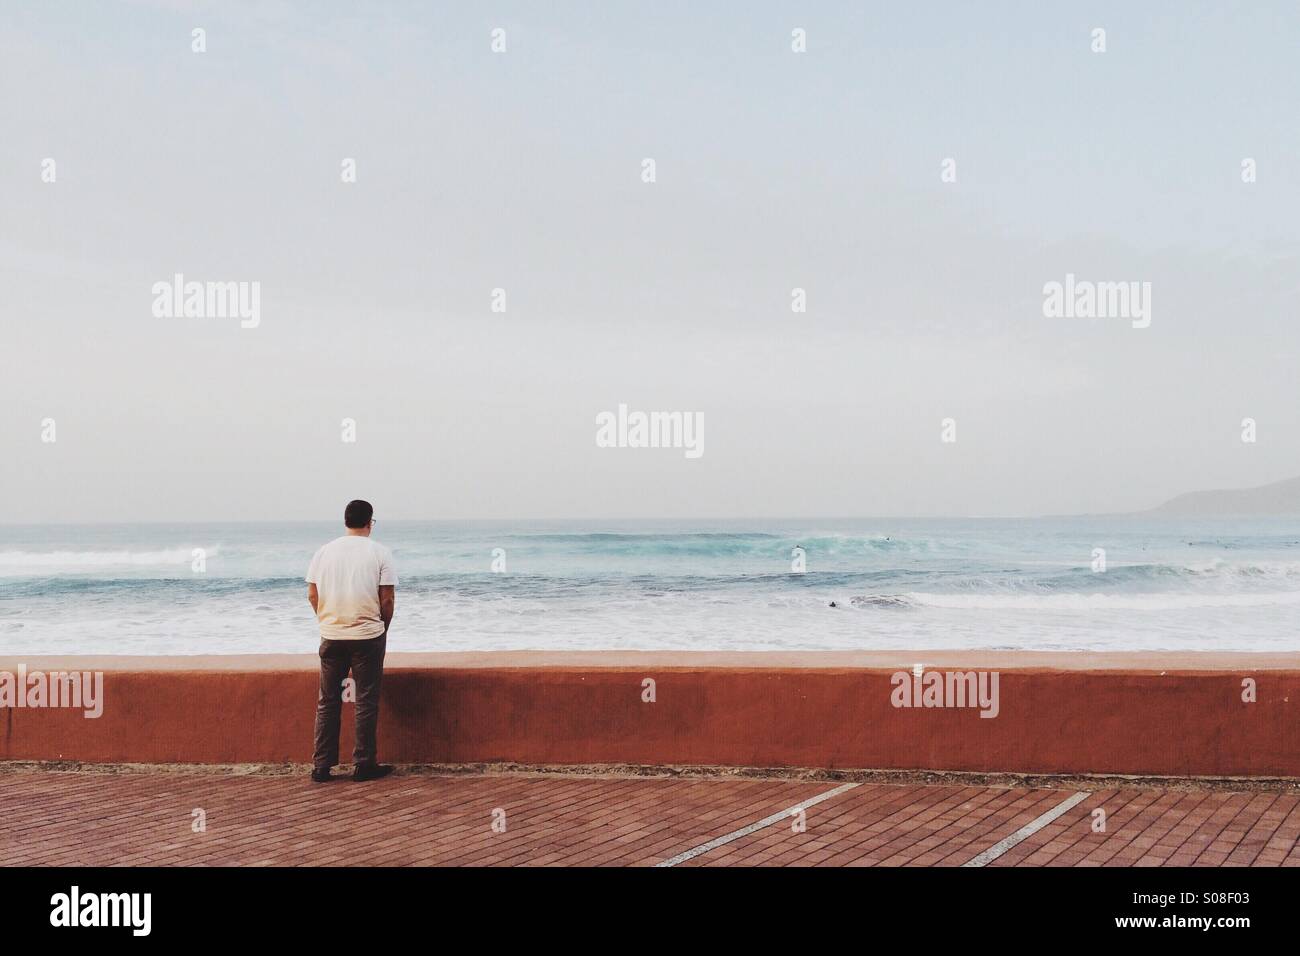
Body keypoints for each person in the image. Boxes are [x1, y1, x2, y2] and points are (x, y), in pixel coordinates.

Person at [306, 499, 397, 782]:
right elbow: (387, 599)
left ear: (345, 521)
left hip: (332, 633)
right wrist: (383, 627)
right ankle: (364, 763)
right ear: (370, 522)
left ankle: (322, 766)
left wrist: (326, 620)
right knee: (366, 700)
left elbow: (312, 594)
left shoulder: (324, 552)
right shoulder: (380, 553)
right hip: (367, 635)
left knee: (328, 700)